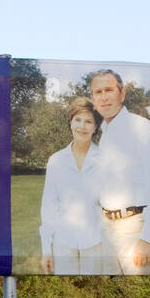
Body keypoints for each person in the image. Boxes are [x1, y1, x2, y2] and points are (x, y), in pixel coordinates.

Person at [90, 69, 150, 275]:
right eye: (98, 92)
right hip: (109, 231)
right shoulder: (105, 133)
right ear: (93, 99)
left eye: (109, 90)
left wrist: (147, 238)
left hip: (135, 230)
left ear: (122, 93)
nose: (104, 97)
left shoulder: (141, 129)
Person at [39, 97, 103, 274]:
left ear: (95, 127)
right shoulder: (56, 160)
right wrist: (46, 250)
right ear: (70, 122)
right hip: (63, 243)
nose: (82, 126)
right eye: (78, 120)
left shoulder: (105, 159)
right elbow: (49, 206)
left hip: (96, 243)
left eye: (88, 122)